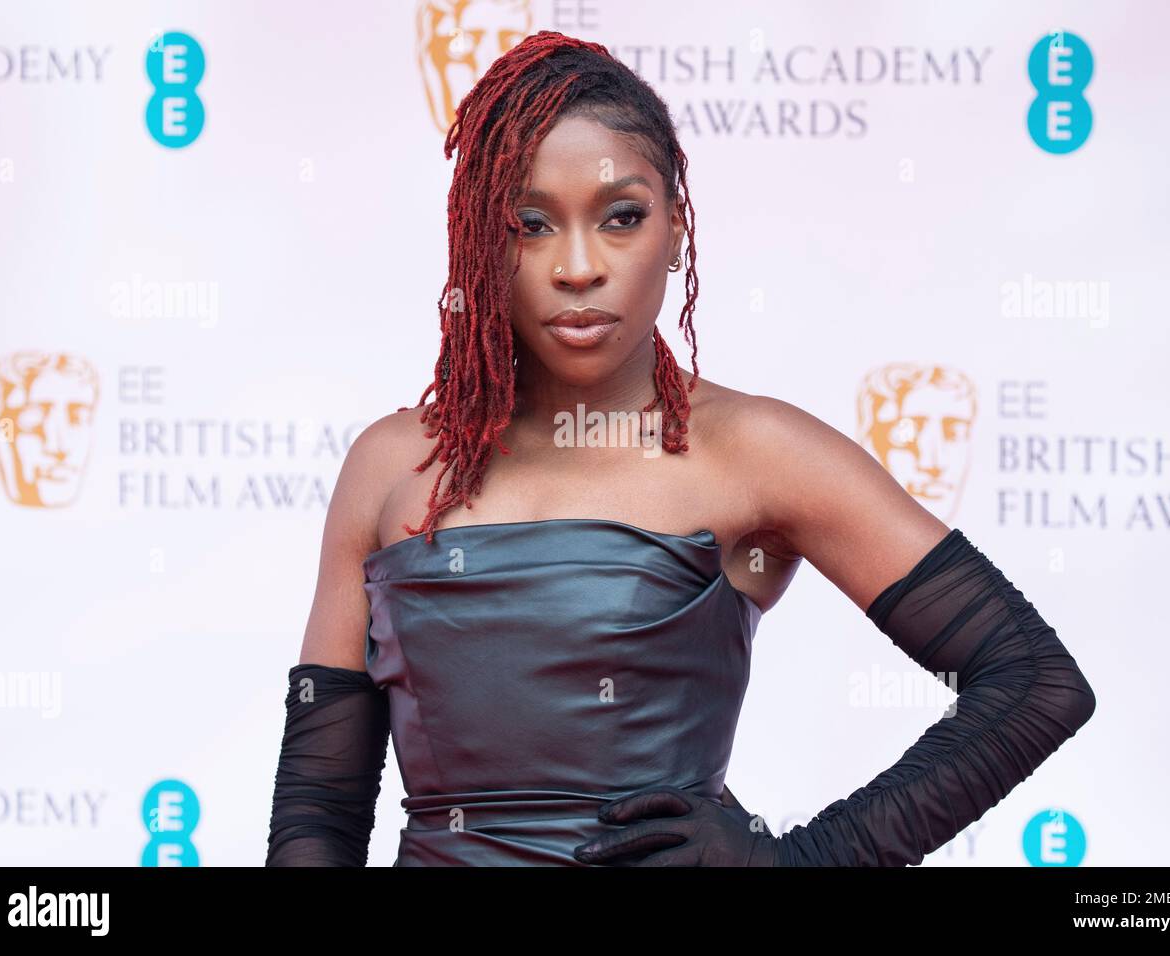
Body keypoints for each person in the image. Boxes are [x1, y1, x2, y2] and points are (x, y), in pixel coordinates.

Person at [265, 31, 1097, 867]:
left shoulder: (754, 451)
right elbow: (318, 815)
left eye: (621, 217)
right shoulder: (392, 465)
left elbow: (1033, 681)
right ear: (481, 242)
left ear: (676, 230)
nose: (579, 266)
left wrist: (795, 861)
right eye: (531, 223)